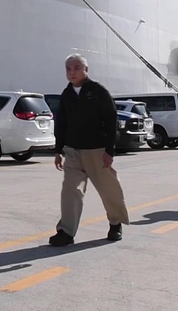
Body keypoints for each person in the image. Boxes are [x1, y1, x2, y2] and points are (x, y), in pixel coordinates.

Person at [49, 53, 130, 247]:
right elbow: (61, 123)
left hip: (97, 150)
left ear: (86, 70)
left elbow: (111, 121)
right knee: (70, 190)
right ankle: (66, 232)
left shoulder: (98, 91)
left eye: (76, 68)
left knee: (109, 189)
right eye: (68, 69)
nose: (72, 72)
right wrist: (58, 150)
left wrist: (109, 151)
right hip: (73, 151)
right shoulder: (66, 95)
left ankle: (115, 223)